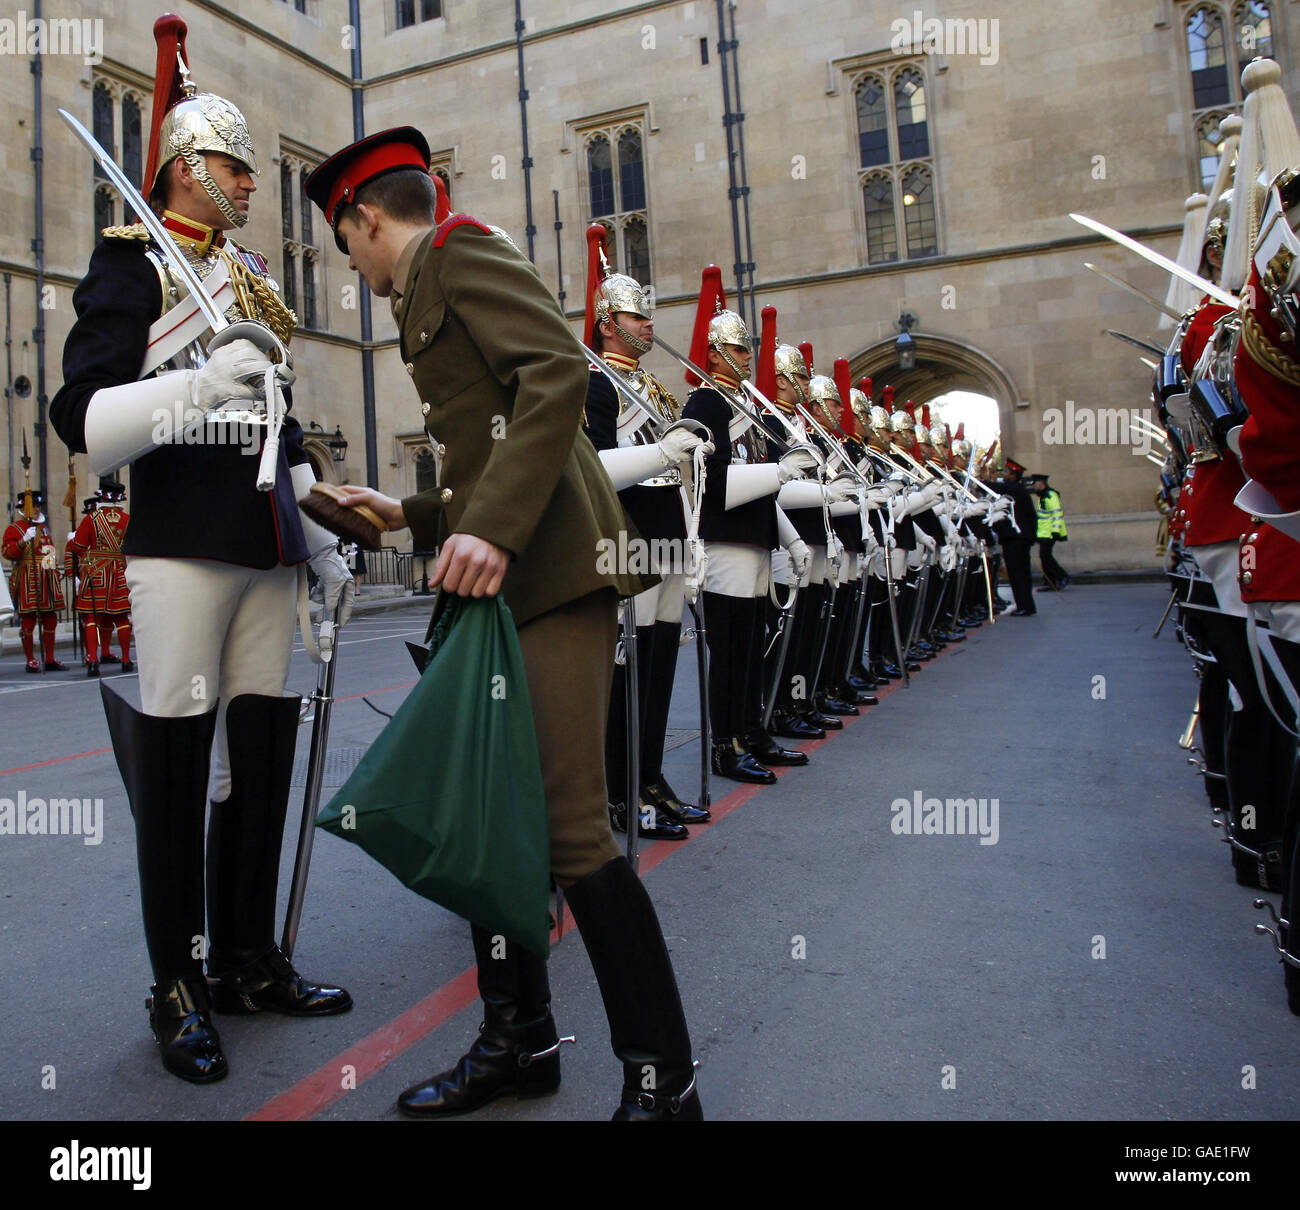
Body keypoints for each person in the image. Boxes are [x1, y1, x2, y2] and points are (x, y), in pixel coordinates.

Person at [310, 126, 703, 1119]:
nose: (350, 268)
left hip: (555, 573)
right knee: (494, 818)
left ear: (362, 218)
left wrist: (485, 526)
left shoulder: (458, 250)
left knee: (571, 829)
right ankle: (519, 1040)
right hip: (504, 577)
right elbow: (494, 445)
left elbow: (555, 379)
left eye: (343, 245)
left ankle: (665, 1084)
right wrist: (409, 513)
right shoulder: (423, 292)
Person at [50, 15, 354, 1084]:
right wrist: (192, 386)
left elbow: (287, 424)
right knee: (180, 773)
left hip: (263, 541)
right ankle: (174, 982)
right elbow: (79, 415)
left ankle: (246, 955)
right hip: (179, 543)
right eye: (234, 165)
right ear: (186, 168)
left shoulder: (252, 281)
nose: (250, 182)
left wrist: (320, 535)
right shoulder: (131, 265)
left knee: (260, 764)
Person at [579, 224, 711, 841]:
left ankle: (650, 774)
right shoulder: (595, 382)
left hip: (668, 540)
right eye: (636, 316)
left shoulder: (654, 387)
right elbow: (599, 467)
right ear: (608, 321)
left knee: (660, 668)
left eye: (649, 315)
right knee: (624, 675)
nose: (648, 325)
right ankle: (616, 786)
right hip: (626, 537)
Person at [65, 478, 133, 676]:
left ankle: (93, 659)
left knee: (92, 618)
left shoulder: (92, 518)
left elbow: (77, 547)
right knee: (121, 618)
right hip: (119, 571)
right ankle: (127, 659)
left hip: (97, 572)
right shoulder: (127, 519)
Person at [3, 488, 67, 673]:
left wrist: (54, 572)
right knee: (28, 619)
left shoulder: (43, 528)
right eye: (34, 506)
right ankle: (31, 659)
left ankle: (49, 657)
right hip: (27, 576)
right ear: (25, 507)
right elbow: (8, 553)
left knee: (50, 618)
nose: (37, 510)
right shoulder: (14, 529)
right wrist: (23, 541)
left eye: (38, 506)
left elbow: (50, 550)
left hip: (45, 575)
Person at [992, 458, 1038, 615]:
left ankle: (1024, 606)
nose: (1004, 474)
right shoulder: (1017, 489)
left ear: (1013, 475)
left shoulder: (1014, 489)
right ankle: (1026, 605)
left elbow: (995, 487)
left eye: (1006, 472)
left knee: (1017, 574)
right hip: (1020, 539)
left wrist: (979, 481)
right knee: (1022, 574)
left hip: (1016, 539)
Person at [1030, 473, 1069, 589]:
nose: (1034, 487)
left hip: (1050, 532)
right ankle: (1050, 581)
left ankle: (1061, 575)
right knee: (1044, 556)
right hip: (1044, 532)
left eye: (1035, 484)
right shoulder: (1043, 496)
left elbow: (1057, 514)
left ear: (1041, 484)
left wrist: (1056, 530)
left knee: (1045, 556)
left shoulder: (1050, 495)